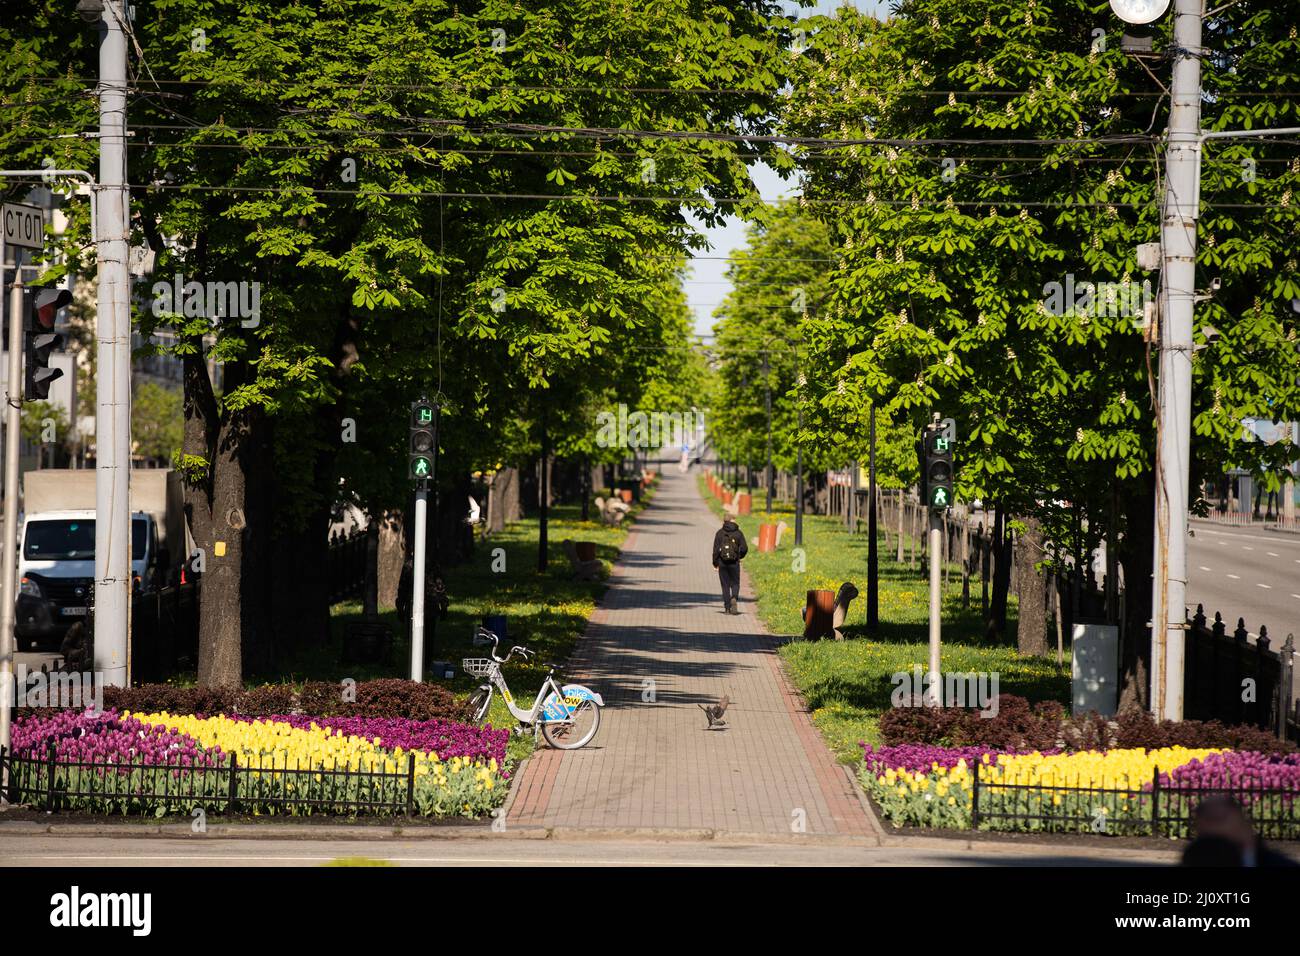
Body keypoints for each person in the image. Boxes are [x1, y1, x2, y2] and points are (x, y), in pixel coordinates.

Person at [1181, 795, 1299, 867]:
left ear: (1245, 826)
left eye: (1219, 818)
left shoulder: (1278, 864)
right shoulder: (1192, 860)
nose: (1215, 827)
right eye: (1208, 819)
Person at [712, 516, 748, 614]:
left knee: (725, 585)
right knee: (735, 583)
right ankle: (734, 598)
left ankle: (727, 608)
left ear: (724, 521)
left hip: (722, 563)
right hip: (734, 562)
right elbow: (744, 548)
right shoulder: (738, 533)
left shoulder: (719, 533)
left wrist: (715, 563)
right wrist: (739, 556)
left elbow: (715, 550)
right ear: (732, 520)